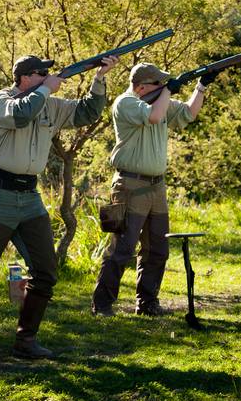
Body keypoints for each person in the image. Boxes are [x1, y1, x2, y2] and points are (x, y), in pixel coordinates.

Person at [0, 53, 119, 361]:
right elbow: (21, 115)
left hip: (29, 198)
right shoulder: (1, 100)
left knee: (46, 271)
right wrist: (48, 89)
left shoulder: (48, 102)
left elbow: (88, 112)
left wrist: (99, 78)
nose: (46, 77)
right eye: (40, 74)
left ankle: (26, 340)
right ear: (24, 78)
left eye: (47, 74)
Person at [90, 63, 213, 317]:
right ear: (142, 87)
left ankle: (147, 302)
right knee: (122, 247)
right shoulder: (125, 102)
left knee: (158, 248)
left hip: (157, 186)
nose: (164, 88)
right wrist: (169, 90)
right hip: (130, 186)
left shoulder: (159, 101)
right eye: (160, 84)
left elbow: (188, 114)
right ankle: (101, 304)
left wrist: (202, 86)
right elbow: (154, 117)